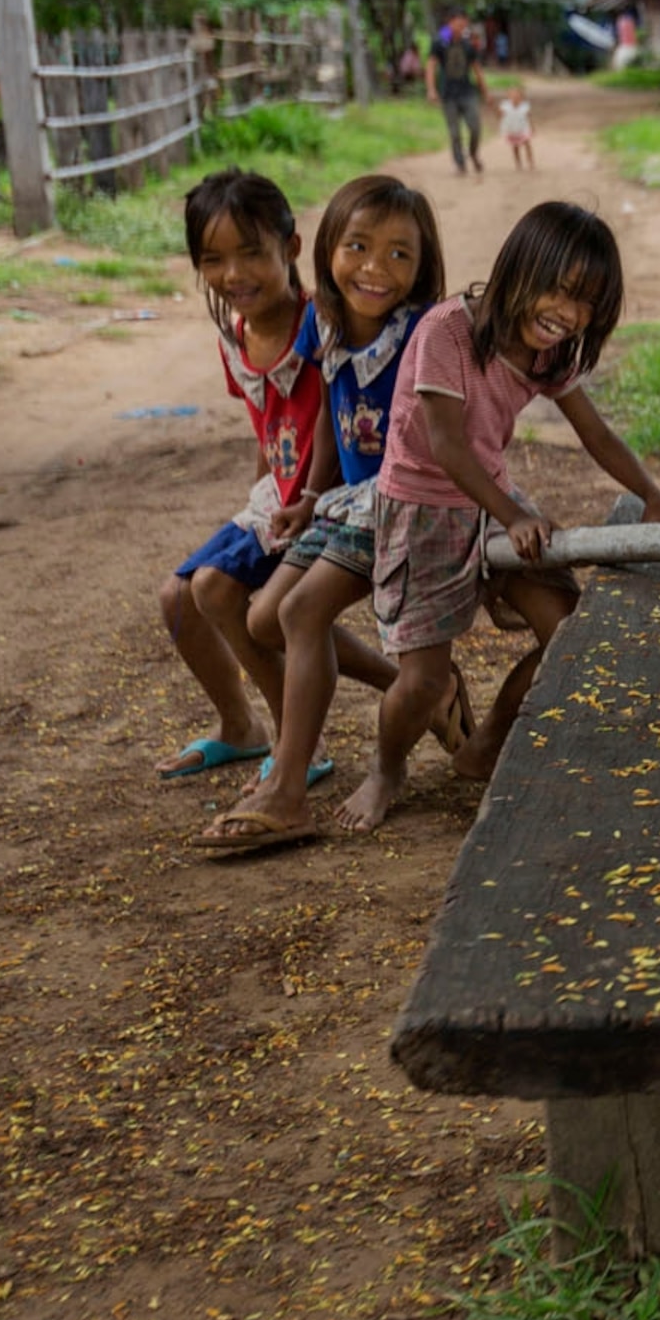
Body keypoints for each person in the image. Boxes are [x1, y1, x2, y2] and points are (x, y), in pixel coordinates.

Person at [341, 201, 660, 832]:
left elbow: (596, 434)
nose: (569, 315)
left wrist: (652, 495)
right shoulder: (446, 331)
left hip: (491, 496)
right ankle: (387, 768)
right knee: (421, 680)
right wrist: (514, 516)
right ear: (518, 268)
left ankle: (488, 741)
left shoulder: (550, 355)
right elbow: (444, 446)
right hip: (424, 507)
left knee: (568, 631)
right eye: (561, 291)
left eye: (587, 307)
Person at [196, 176, 449, 852]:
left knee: (301, 613)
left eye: (400, 254)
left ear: (425, 264)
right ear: (327, 251)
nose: (374, 267)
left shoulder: (423, 331)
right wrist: (308, 495)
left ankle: (288, 787)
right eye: (358, 246)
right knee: (260, 616)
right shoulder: (323, 322)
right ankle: (423, 698)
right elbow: (335, 425)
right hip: (342, 502)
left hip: (406, 501)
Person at [156, 171, 325, 783]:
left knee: (218, 590)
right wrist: (254, 506)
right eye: (214, 259)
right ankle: (240, 727)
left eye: (252, 252)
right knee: (178, 597)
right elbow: (266, 432)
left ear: (292, 248)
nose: (234, 274)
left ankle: (296, 741)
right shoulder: (237, 334)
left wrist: (298, 501)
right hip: (276, 501)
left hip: (325, 501)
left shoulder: (322, 328)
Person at [427, 13, 486, 177]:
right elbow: (431, 65)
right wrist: (431, 89)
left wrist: (485, 92)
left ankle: (473, 153)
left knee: (475, 127)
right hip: (448, 94)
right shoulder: (439, 43)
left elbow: (477, 69)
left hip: (467, 92)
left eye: (464, 25)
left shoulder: (468, 45)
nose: (461, 28)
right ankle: (460, 163)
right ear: (451, 22)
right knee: (454, 133)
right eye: (459, 24)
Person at [498, 86, 534, 170]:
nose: (515, 97)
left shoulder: (525, 106)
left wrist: (532, 127)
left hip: (523, 128)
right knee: (515, 146)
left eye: (517, 95)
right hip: (512, 129)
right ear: (508, 96)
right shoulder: (505, 105)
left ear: (521, 96)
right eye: (512, 95)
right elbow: (500, 115)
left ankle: (530, 161)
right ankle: (518, 162)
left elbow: (529, 117)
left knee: (527, 144)